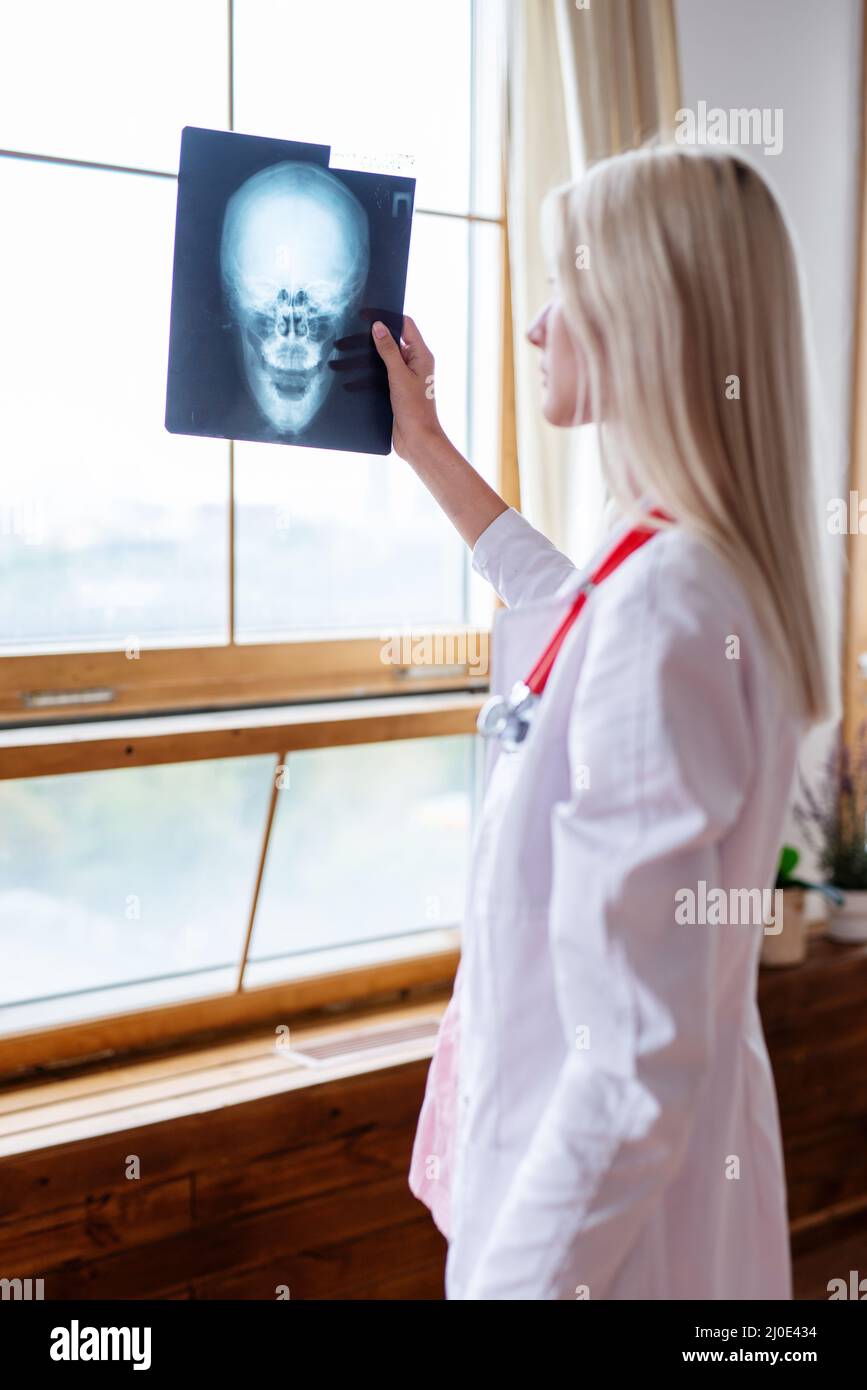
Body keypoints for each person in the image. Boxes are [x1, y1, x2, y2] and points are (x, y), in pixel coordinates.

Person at [370, 145, 834, 1301]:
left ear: (644, 313)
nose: (536, 328)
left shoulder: (672, 601)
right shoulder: (678, 565)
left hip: (606, 1256)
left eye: (561, 291)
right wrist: (422, 442)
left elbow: (631, 1065)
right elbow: (557, 601)